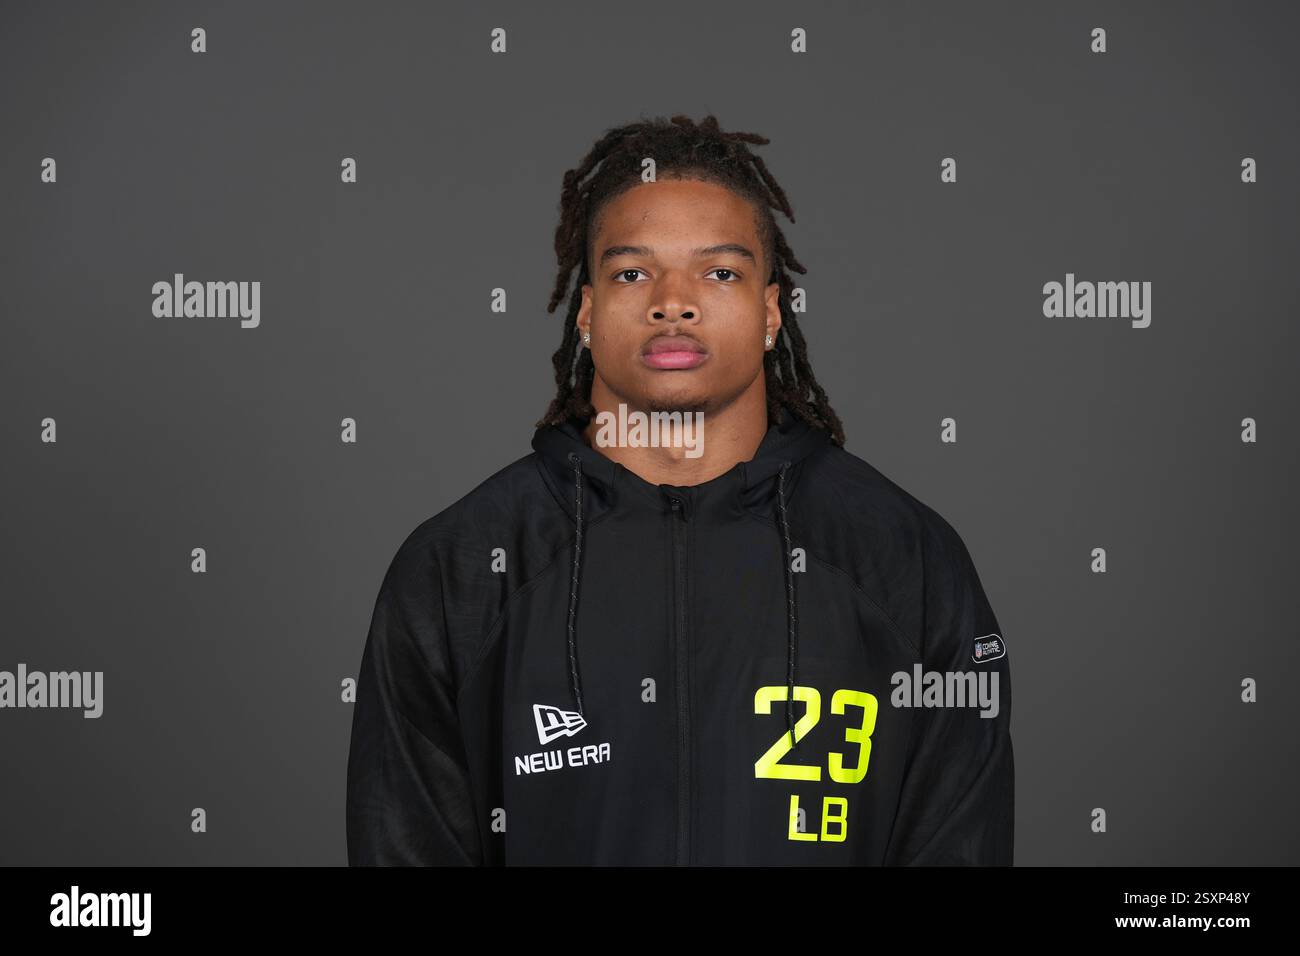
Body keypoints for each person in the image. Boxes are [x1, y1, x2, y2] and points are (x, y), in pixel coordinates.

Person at [345, 113, 1014, 865]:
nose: (673, 301)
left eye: (720, 272)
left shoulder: (904, 557)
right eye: (633, 272)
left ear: (770, 311)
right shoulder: (462, 567)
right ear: (589, 312)